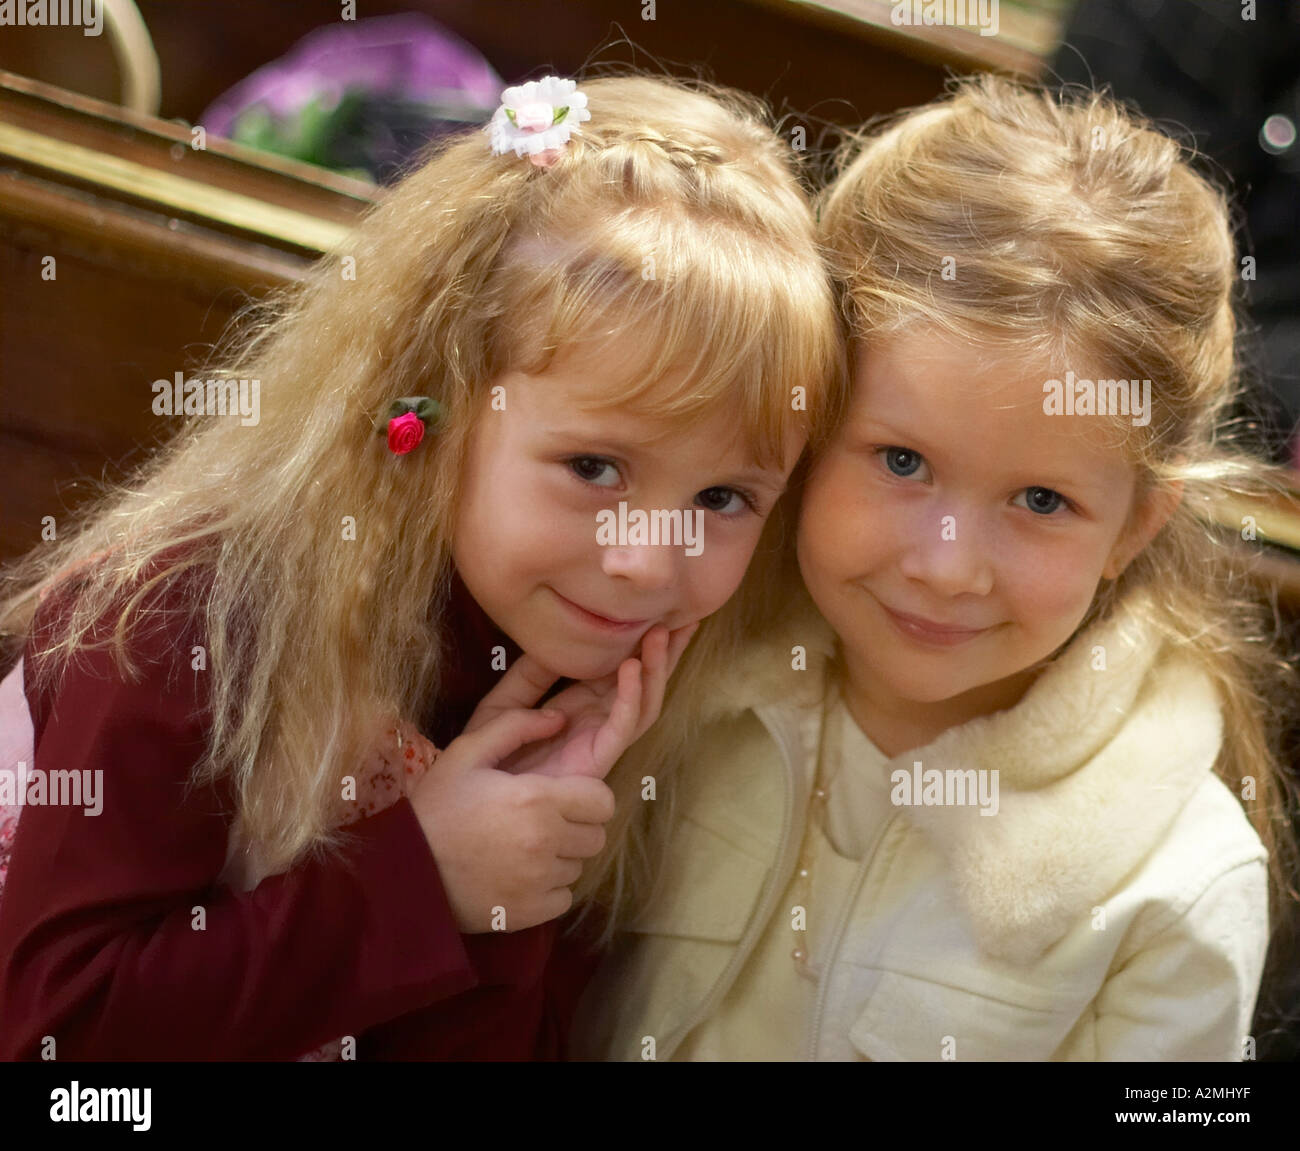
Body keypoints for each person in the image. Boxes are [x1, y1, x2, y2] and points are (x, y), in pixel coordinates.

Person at [0, 72, 842, 1061]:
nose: (646, 561)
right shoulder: (190, 614)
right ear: (431, 405)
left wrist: (507, 889)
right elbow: (58, 1037)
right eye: (592, 467)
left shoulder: (605, 678)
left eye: (723, 499)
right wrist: (422, 880)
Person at [570, 74, 1300, 1062]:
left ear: (1134, 525)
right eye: (901, 461)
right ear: (809, 422)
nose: (949, 568)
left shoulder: (1178, 878)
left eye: (1042, 502)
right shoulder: (656, 676)